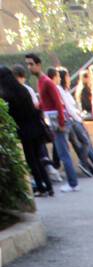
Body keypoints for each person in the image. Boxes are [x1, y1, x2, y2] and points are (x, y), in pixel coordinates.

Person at [25, 51, 78, 190]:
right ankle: (73, 183)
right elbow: (46, 102)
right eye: (28, 65)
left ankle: (73, 183)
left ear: (38, 64)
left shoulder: (47, 82)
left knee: (63, 153)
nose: (29, 67)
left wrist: (61, 122)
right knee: (62, 152)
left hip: (57, 121)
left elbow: (57, 102)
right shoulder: (42, 82)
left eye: (31, 64)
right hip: (53, 120)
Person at [0, 63, 54, 196]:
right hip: (36, 128)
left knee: (31, 161)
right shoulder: (23, 90)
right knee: (39, 158)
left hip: (24, 131)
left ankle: (41, 187)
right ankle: (49, 186)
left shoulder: (6, 95)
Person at [51, 66, 93, 176]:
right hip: (73, 120)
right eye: (67, 76)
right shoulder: (60, 90)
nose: (68, 78)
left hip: (74, 119)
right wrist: (78, 118)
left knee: (84, 144)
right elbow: (67, 107)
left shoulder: (65, 90)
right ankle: (90, 165)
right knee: (85, 143)